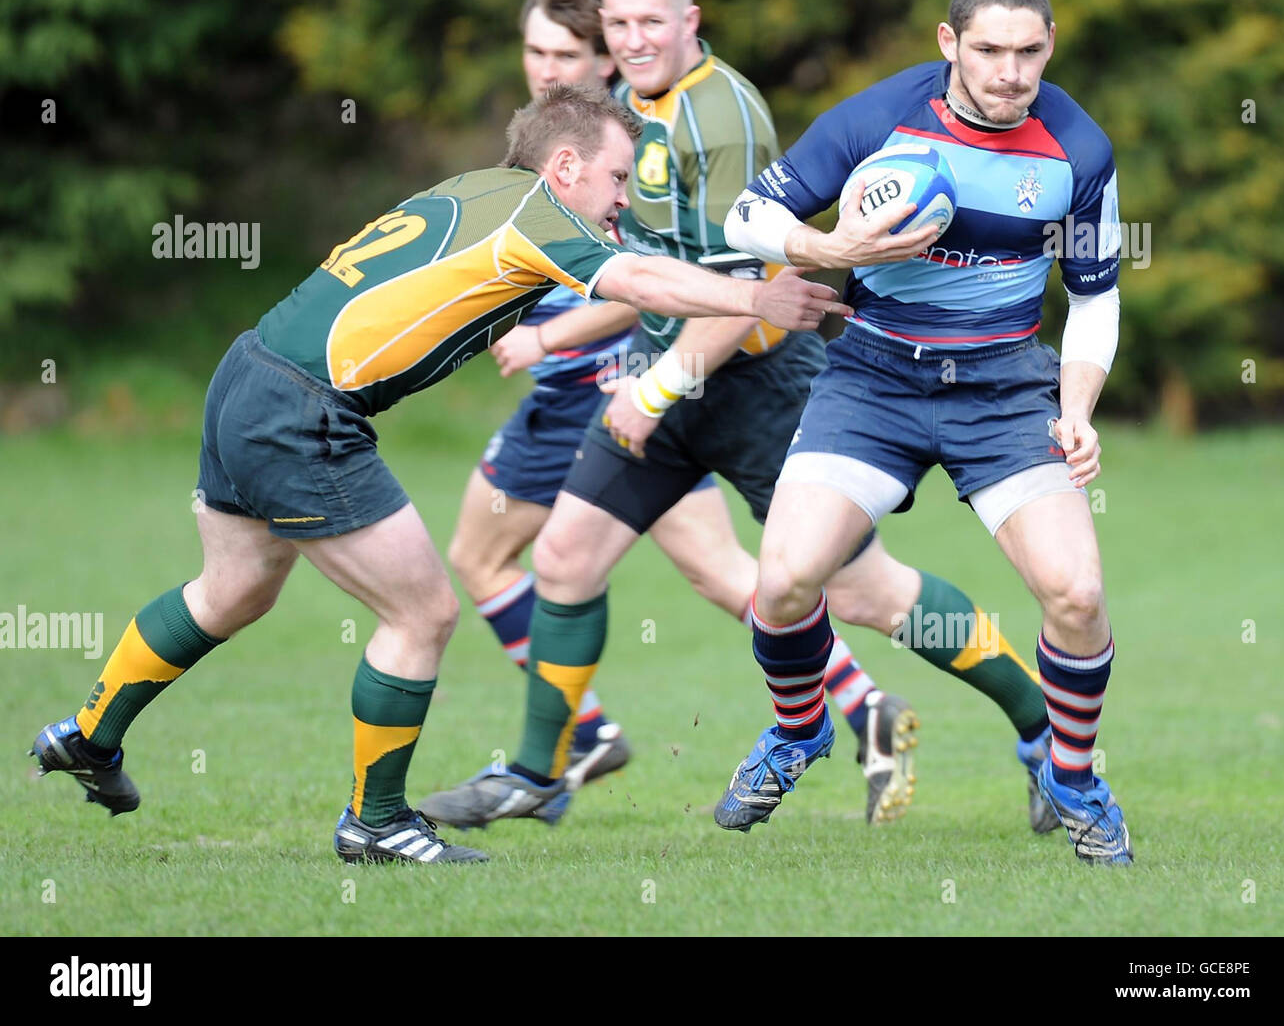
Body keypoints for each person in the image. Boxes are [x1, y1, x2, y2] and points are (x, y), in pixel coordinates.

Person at [29, 84, 845, 867]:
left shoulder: (477, 190)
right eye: (617, 176)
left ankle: (86, 735)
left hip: (247, 374)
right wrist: (753, 302)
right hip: (307, 412)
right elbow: (635, 280)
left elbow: (617, 284)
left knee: (232, 589)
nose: (622, 198)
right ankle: (376, 824)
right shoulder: (541, 214)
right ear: (564, 167)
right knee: (421, 613)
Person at [420, 0, 1057, 835]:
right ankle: (539, 771)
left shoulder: (721, 113)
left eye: (653, 23)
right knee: (564, 560)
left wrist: (654, 389)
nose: (635, 39)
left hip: (757, 386)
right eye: (619, 26)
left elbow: (749, 279)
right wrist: (579, 343)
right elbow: (656, 277)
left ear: (691, 20)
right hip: (669, 384)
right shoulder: (629, 115)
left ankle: (1042, 731)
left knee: (869, 593)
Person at [445, 0, 894, 812]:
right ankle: (564, 753)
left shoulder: (641, 131)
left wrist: (609, 362)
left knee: (777, 577)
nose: (546, 69)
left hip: (643, 380)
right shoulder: (572, 141)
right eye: (532, 50)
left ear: (603, 61)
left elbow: (666, 281)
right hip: (610, 386)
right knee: (545, 556)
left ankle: (872, 710)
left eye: (562, 52)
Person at [718, 0, 1131, 865]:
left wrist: (1076, 410)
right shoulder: (879, 121)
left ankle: (1074, 778)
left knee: (1078, 592)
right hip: (873, 378)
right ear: (949, 43)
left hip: (1003, 386)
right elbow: (747, 215)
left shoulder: (1079, 149)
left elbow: (1094, 299)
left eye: (1028, 51)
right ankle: (799, 732)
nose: (1009, 72)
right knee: (783, 580)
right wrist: (829, 246)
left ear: (1049, 46)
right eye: (988, 50)